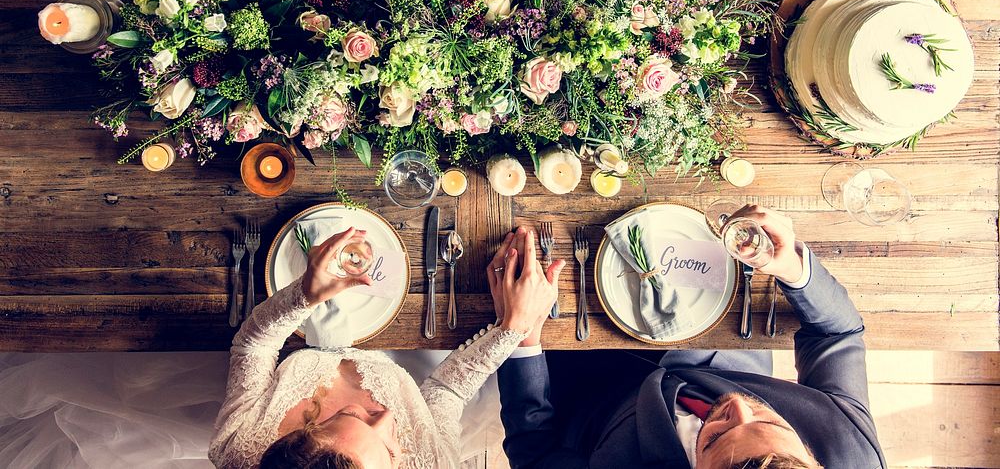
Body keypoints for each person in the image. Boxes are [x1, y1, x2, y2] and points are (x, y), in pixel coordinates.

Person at [497, 206, 887, 469]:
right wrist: (793, 270)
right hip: (715, 333)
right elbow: (837, 332)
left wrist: (520, 336)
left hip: (586, 383)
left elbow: (534, 452)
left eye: (717, 437)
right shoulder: (851, 451)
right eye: (773, 422)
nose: (736, 406)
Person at [209, 225, 563, 468]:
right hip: (413, 355)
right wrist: (513, 328)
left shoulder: (240, 446)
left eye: (349, 415)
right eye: (391, 454)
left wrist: (304, 295)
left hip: (304, 337)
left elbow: (252, 347)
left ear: (296, 437)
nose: (390, 416)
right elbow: (446, 391)